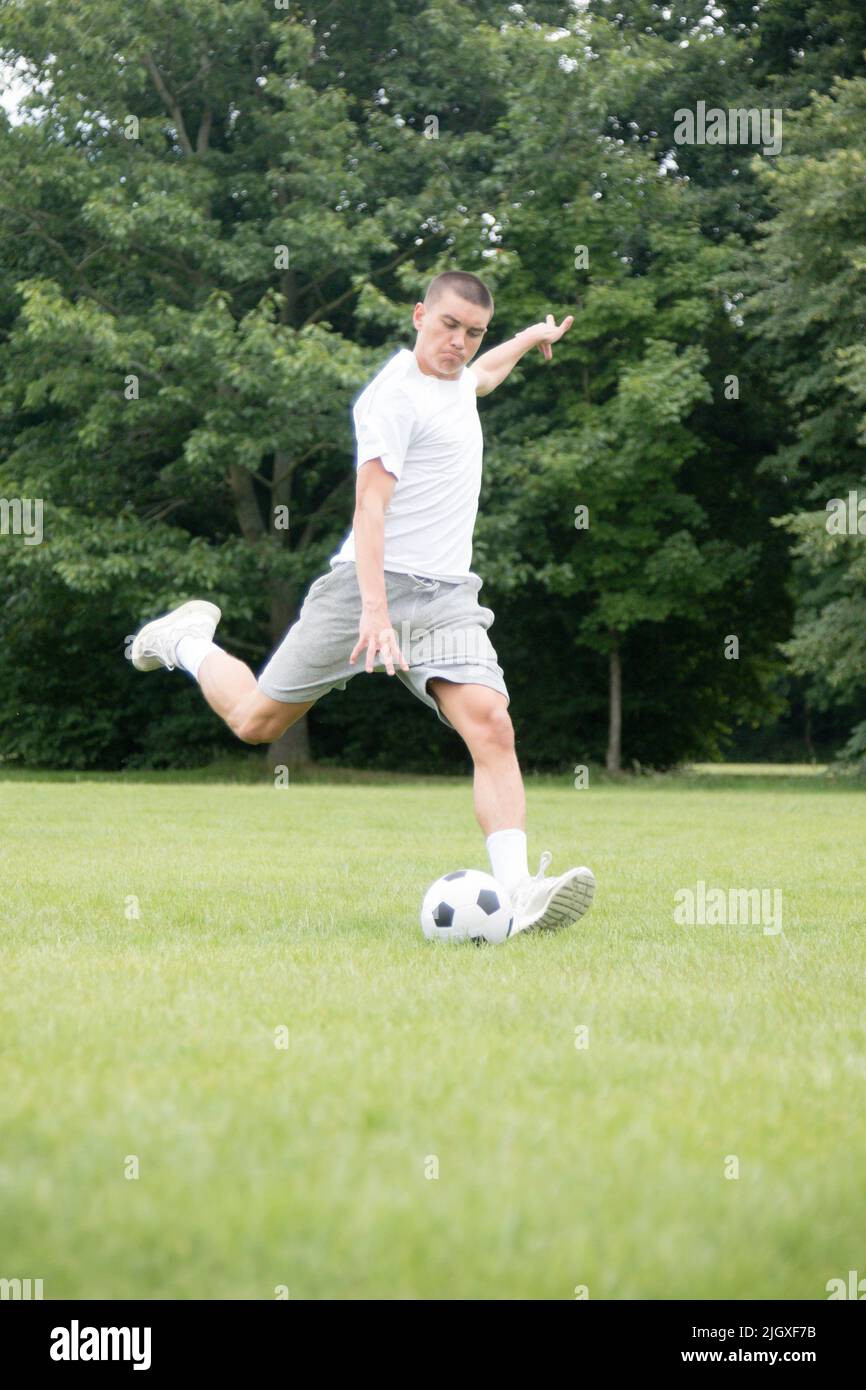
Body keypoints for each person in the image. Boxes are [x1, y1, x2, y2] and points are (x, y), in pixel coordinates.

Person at [130, 270, 595, 935]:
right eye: (448, 326)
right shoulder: (392, 399)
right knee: (257, 722)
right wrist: (374, 611)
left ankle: (518, 892)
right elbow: (370, 507)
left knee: (492, 724)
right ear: (417, 316)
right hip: (363, 589)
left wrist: (527, 337)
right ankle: (185, 642)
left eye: (473, 332)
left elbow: (484, 376)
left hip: (446, 600)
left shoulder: (461, 377)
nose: (459, 343)